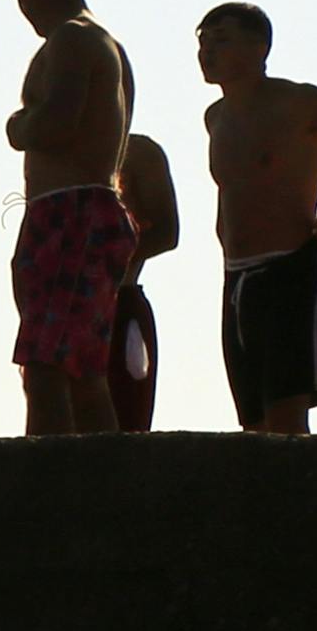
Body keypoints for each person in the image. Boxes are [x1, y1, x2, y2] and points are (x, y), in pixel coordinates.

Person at [197, 1, 317, 432]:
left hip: (291, 266)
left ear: (260, 47)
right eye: (203, 43)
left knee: (286, 417)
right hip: (236, 277)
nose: (207, 52)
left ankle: (305, 498)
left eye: (221, 40)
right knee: (254, 421)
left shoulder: (297, 101)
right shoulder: (216, 117)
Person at [3, 0, 142, 436]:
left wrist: (18, 125)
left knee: (46, 367)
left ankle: (50, 487)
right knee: (78, 368)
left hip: (72, 213)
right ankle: (97, 485)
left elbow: (57, 124)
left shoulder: (73, 38)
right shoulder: (102, 45)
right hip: (77, 208)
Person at [116, 128, 182, 431]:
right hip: (64, 304)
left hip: (119, 299)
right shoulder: (58, 147)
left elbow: (166, 234)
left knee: (127, 421)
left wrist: (101, 267)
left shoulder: (137, 152)